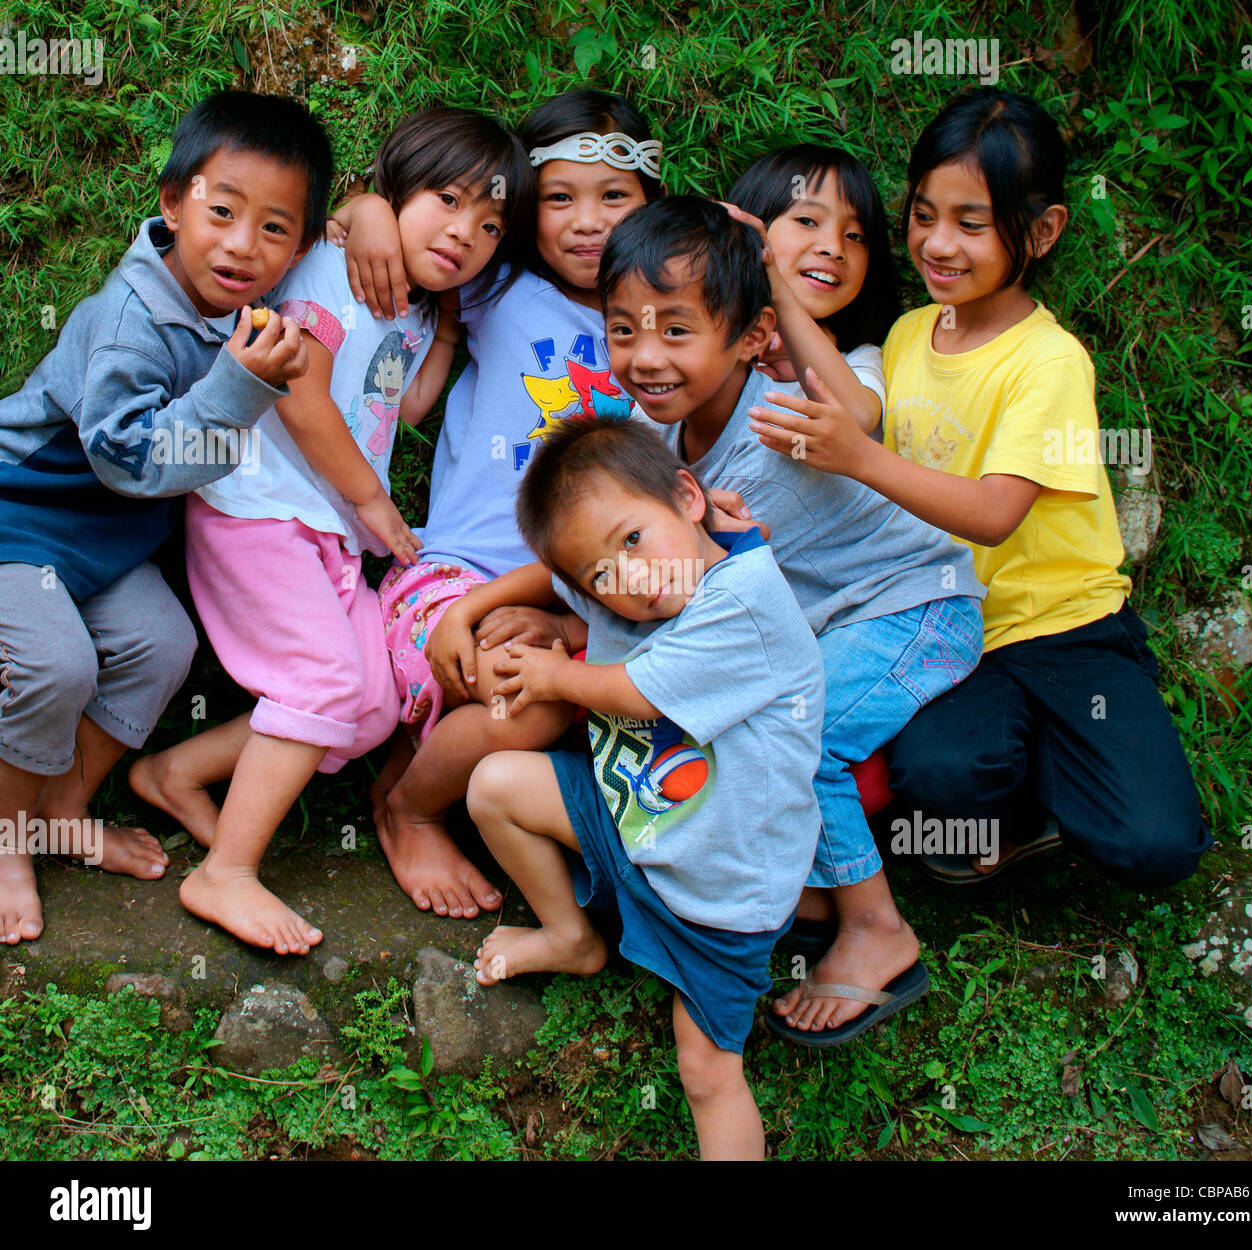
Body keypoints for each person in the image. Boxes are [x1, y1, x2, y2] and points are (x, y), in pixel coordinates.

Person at [748, 88, 1210, 886]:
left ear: (1042, 230)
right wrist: (779, 312)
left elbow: (997, 514)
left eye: (971, 222)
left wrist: (857, 457)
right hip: (951, 630)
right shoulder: (906, 333)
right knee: (936, 787)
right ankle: (1021, 796)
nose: (937, 243)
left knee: (1155, 845)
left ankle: (1073, 763)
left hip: (1065, 627)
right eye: (924, 215)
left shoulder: (1049, 361)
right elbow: (855, 403)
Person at [130, 107, 530, 955]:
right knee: (319, 684)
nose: (464, 232)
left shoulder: (414, 307)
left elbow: (406, 405)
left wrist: (448, 325)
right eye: (445, 201)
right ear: (395, 193)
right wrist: (374, 504)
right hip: (259, 512)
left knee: (373, 706)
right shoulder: (333, 263)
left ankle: (174, 771)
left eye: (490, 224)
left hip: (326, 531)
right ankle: (226, 873)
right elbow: (298, 391)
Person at [597, 196, 987, 1044]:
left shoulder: (775, 429)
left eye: (675, 331)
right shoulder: (650, 431)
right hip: (823, 619)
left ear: (749, 338)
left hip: (911, 610)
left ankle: (879, 929)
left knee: (806, 739)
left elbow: (689, 602)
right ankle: (806, 895)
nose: (645, 357)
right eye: (623, 330)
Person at [324, 89, 666, 921]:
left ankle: (435, 774)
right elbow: (387, 226)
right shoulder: (498, 285)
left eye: (615, 198)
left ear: (654, 207)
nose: (588, 223)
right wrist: (365, 206)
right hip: (449, 583)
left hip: (590, 606)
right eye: (559, 199)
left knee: (568, 688)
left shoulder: (668, 327)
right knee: (529, 695)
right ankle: (408, 806)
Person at [0, 90, 325, 946]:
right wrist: (241, 388)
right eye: (222, 212)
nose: (241, 245)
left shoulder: (239, 317)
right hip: (19, 518)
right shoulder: (128, 323)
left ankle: (62, 809)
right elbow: (128, 461)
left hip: (100, 544)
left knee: (161, 643)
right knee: (57, 663)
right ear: (172, 201)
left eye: (275, 229)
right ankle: (5, 840)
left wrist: (361, 218)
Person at [465, 416, 825, 1160]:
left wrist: (552, 674)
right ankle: (570, 936)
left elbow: (636, 691)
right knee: (495, 785)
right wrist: (542, 620)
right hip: (636, 819)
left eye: (632, 540)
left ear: (688, 496)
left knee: (706, 1072)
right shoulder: (661, 572)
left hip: (719, 893)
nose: (628, 579)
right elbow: (594, 585)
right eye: (599, 574)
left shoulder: (745, 602)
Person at [722, 142, 898, 430]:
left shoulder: (858, 361)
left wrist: (782, 298)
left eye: (855, 236)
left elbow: (856, 417)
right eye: (807, 220)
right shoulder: (711, 338)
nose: (834, 248)